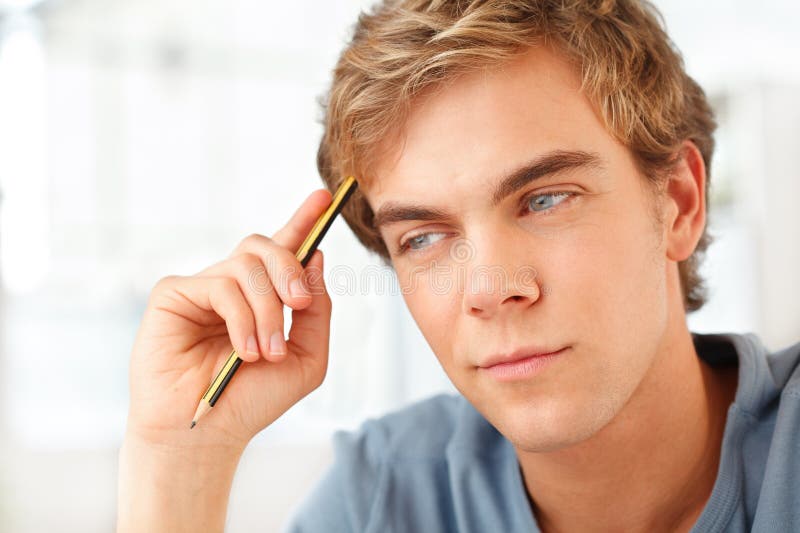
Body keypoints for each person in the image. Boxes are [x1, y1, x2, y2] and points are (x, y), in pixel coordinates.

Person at [116, 1, 800, 532]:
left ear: (679, 203)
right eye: (423, 237)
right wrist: (179, 458)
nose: (490, 289)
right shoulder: (384, 497)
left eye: (545, 199)